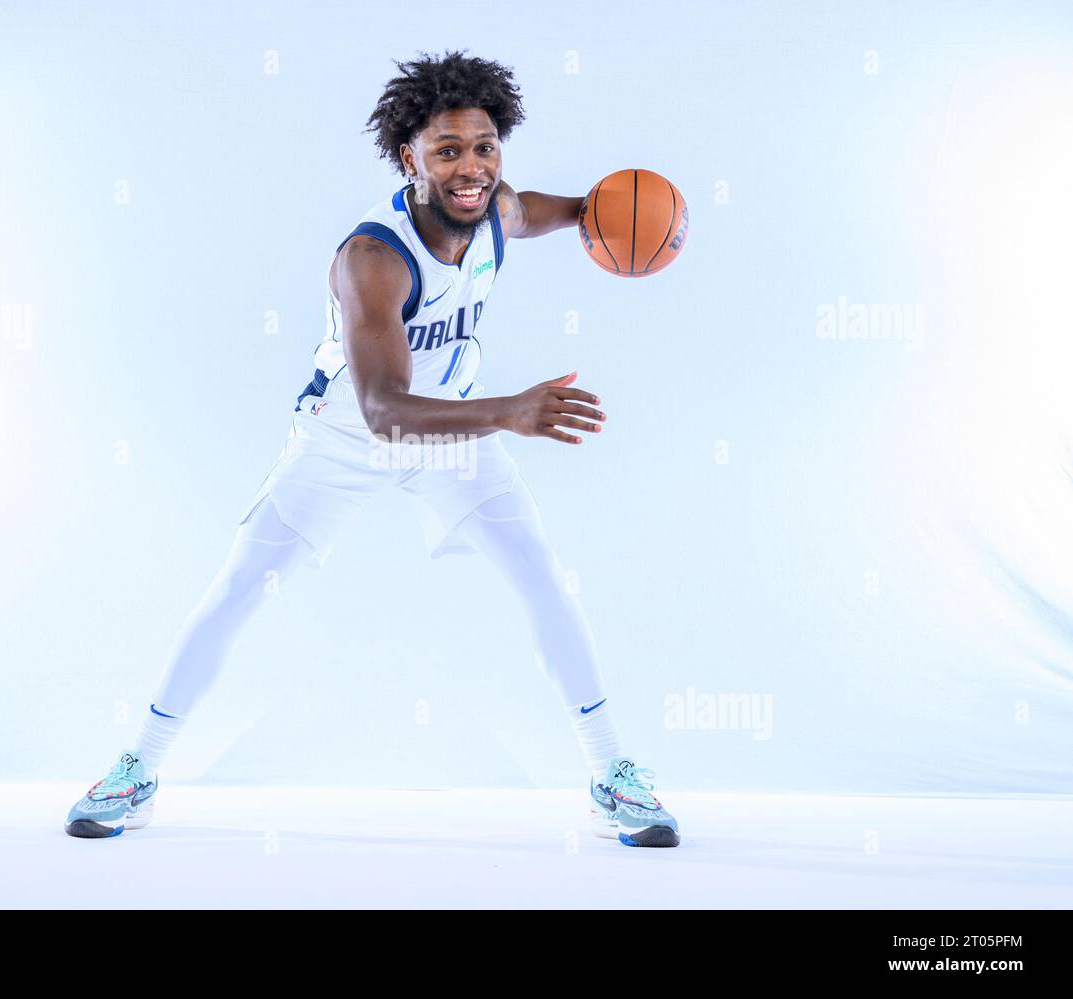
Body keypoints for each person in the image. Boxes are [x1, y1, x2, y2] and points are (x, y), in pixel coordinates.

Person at [65, 50, 680, 848]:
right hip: (350, 435)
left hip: (456, 431)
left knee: (541, 578)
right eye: (448, 150)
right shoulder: (372, 258)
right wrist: (514, 412)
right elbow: (385, 409)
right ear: (409, 158)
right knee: (239, 587)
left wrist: (631, 212)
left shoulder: (502, 213)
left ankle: (610, 773)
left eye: (485, 146)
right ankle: (138, 767)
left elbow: (575, 213)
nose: (471, 168)